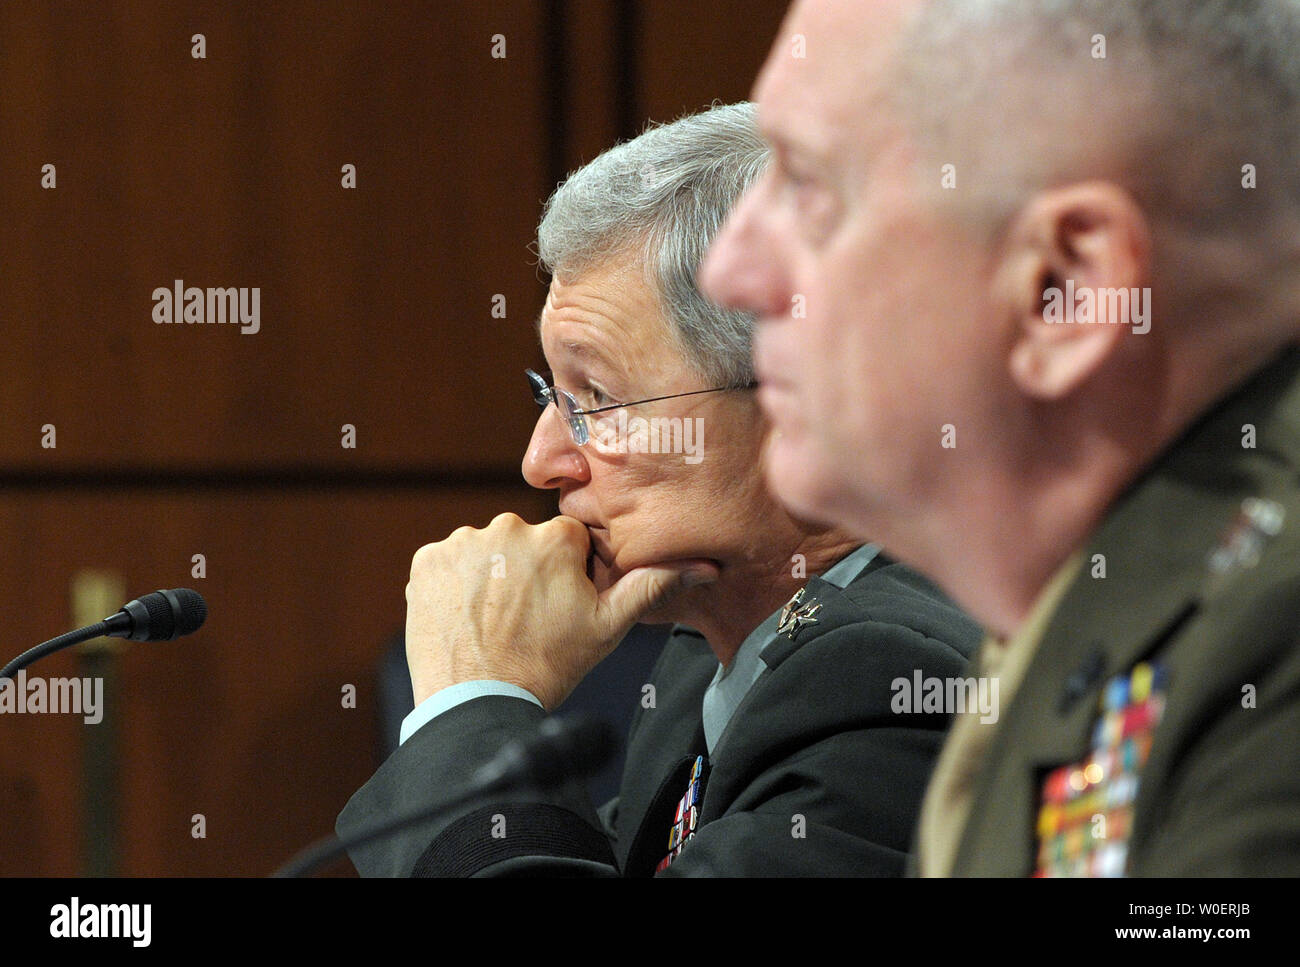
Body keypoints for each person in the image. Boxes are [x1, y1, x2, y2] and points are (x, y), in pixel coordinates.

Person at [700, 0, 1300, 875]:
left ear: (1064, 291)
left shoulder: (1267, 651)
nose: (730, 271)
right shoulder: (1090, 598)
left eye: (806, 186)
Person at [336, 102, 981, 876]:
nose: (542, 461)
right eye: (552, 394)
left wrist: (473, 704)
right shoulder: (705, 654)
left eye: (599, 400)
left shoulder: (888, 685)